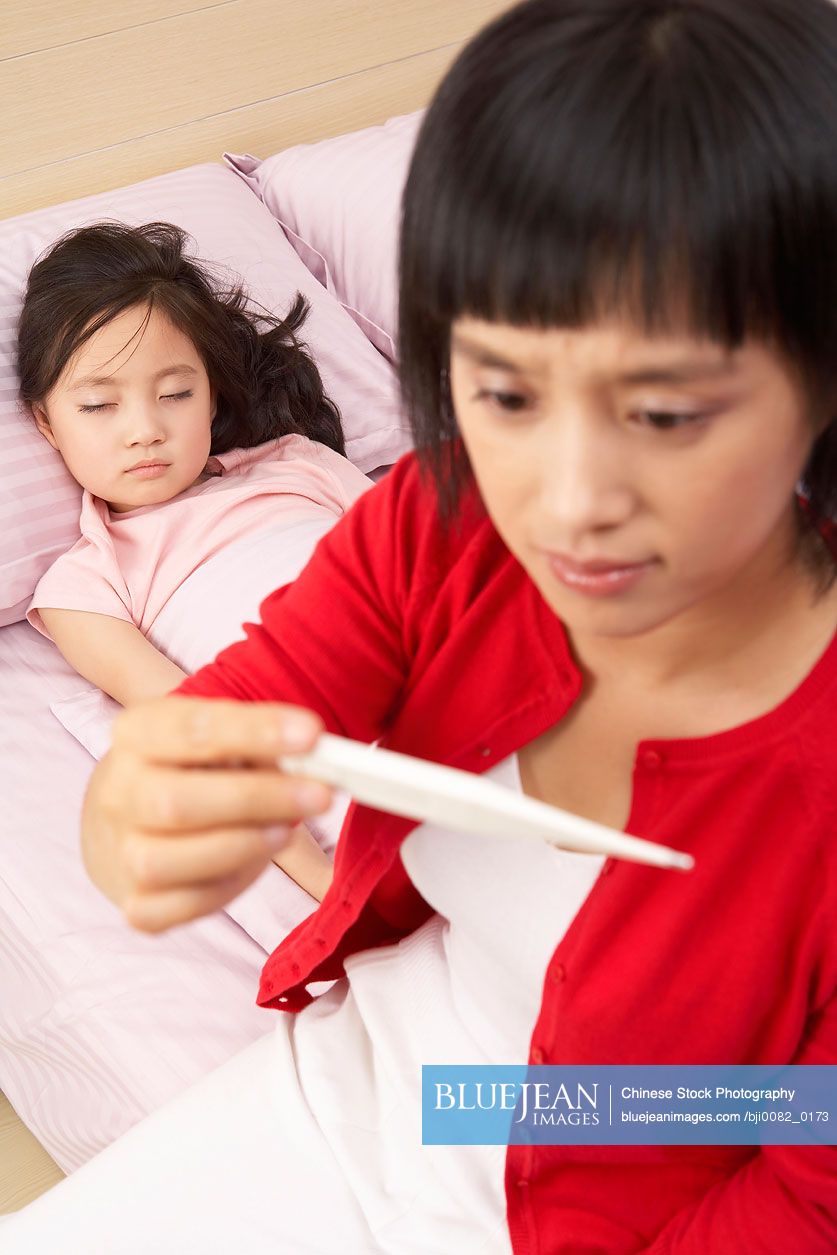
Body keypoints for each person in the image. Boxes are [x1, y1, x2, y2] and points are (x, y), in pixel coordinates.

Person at [2, 0, 835, 1250]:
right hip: (404, 1078)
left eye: (664, 413)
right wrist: (157, 804)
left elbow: (799, 1164)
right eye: (503, 389)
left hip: (645, 1188)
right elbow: (244, 708)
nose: (566, 489)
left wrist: (593, 1125)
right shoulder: (440, 521)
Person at [18, 221, 373, 902]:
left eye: (176, 394)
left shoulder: (301, 465)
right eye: (98, 404)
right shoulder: (84, 584)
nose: (144, 428)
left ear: (211, 393)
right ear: (45, 422)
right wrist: (333, 891)